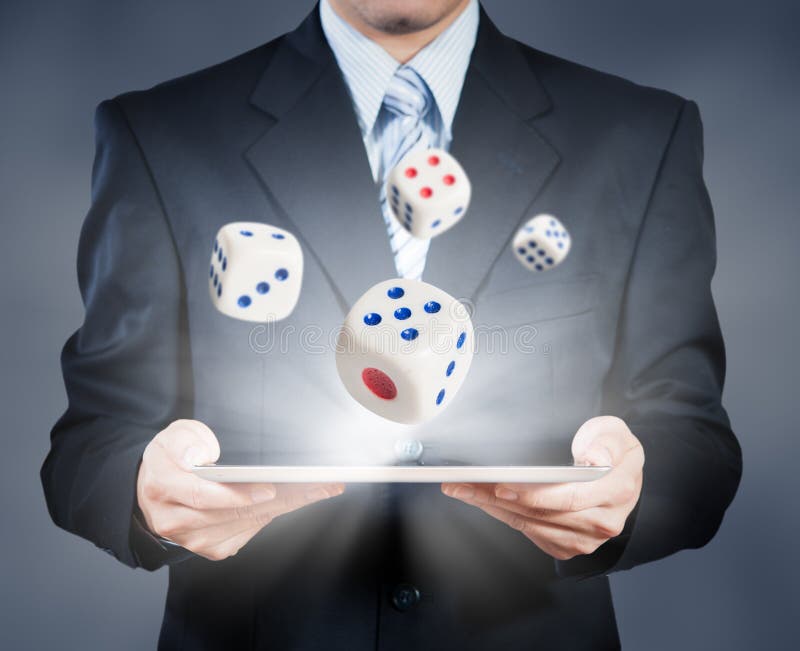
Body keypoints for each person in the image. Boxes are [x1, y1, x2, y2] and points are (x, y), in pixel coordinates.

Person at [41, 0, 742, 648]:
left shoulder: (639, 134)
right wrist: (142, 488)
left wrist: (632, 488)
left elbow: (695, 438)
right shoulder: (160, 134)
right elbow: (91, 440)